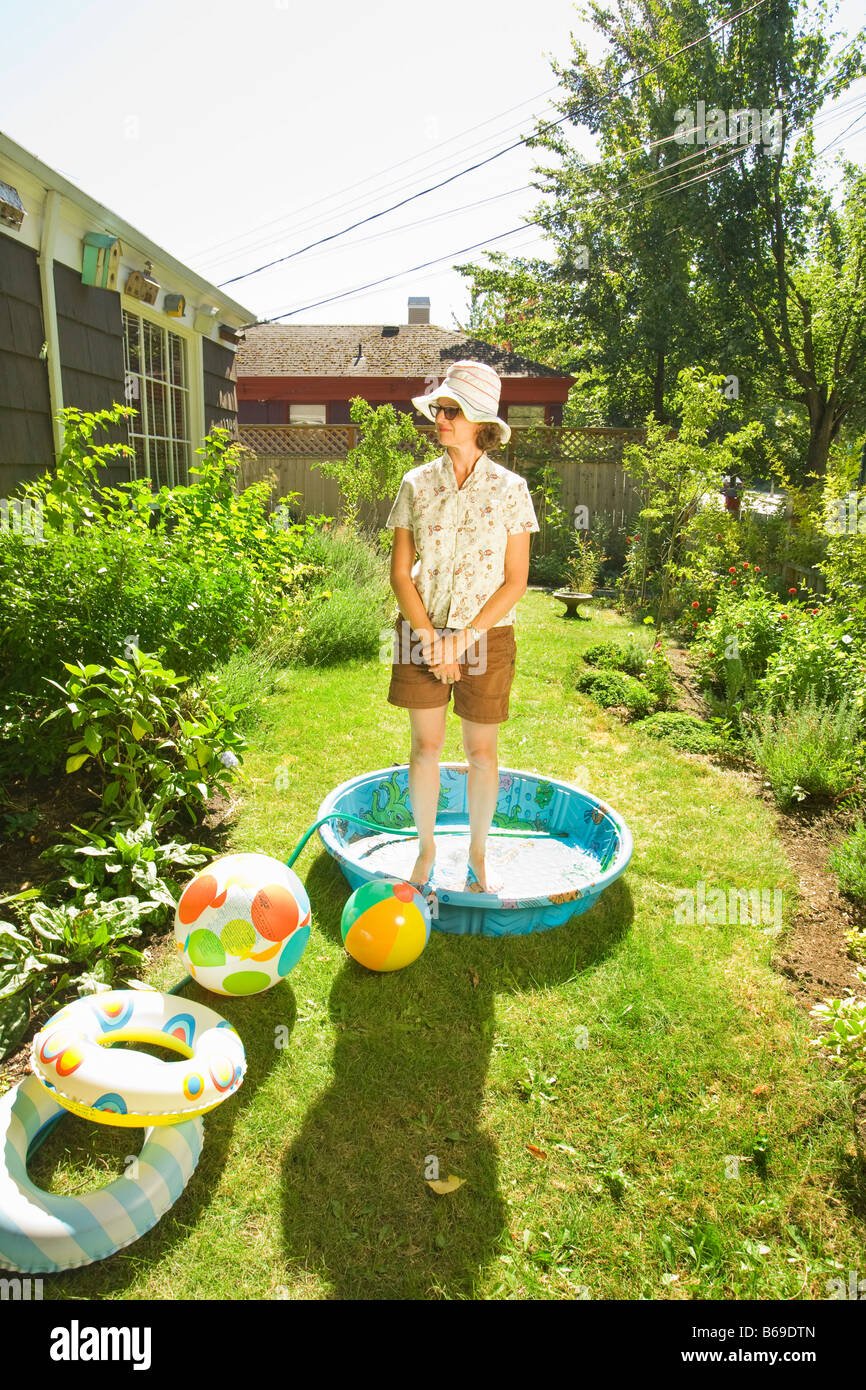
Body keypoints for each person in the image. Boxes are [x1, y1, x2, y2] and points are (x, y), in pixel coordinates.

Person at [385, 359, 539, 897]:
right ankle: (426, 847)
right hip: (422, 630)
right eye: (439, 409)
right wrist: (433, 641)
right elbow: (400, 574)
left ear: (480, 421)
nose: (440, 418)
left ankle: (477, 851)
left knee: (483, 754)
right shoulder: (416, 484)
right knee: (424, 747)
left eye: (451, 410)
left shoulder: (511, 489)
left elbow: (517, 580)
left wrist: (462, 642)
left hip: (486, 636)